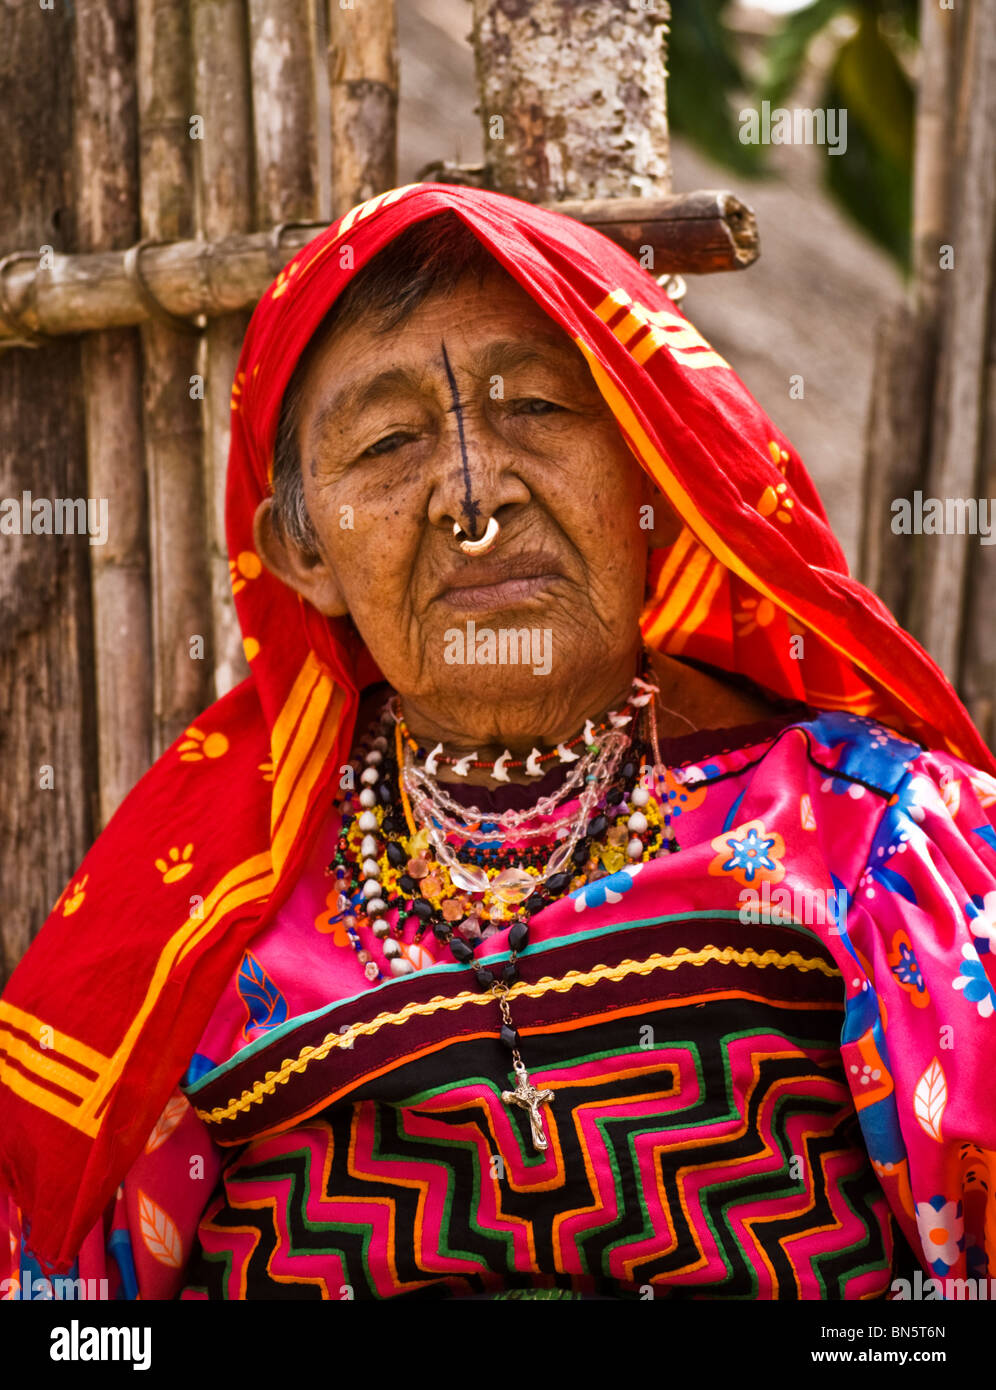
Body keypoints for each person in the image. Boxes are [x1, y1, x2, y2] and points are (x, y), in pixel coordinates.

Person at [2, 183, 994, 1302]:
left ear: (652, 474)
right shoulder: (196, 919)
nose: (473, 496)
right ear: (302, 551)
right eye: (386, 442)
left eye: (536, 409)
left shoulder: (880, 843)